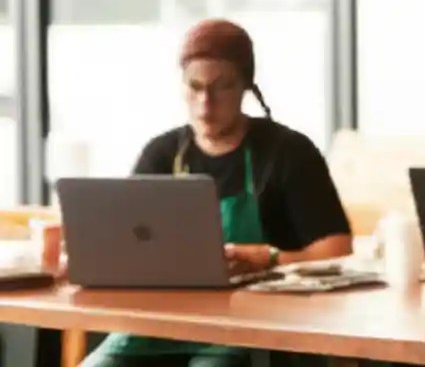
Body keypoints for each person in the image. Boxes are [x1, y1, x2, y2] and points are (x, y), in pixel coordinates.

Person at [82, 19, 353, 367]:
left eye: (220, 87)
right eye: (194, 87)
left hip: (250, 329)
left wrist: (267, 258)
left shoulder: (288, 153)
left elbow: (338, 252)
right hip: (157, 326)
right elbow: (126, 245)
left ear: (246, 86)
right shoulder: (162, 154)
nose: (204, 104)